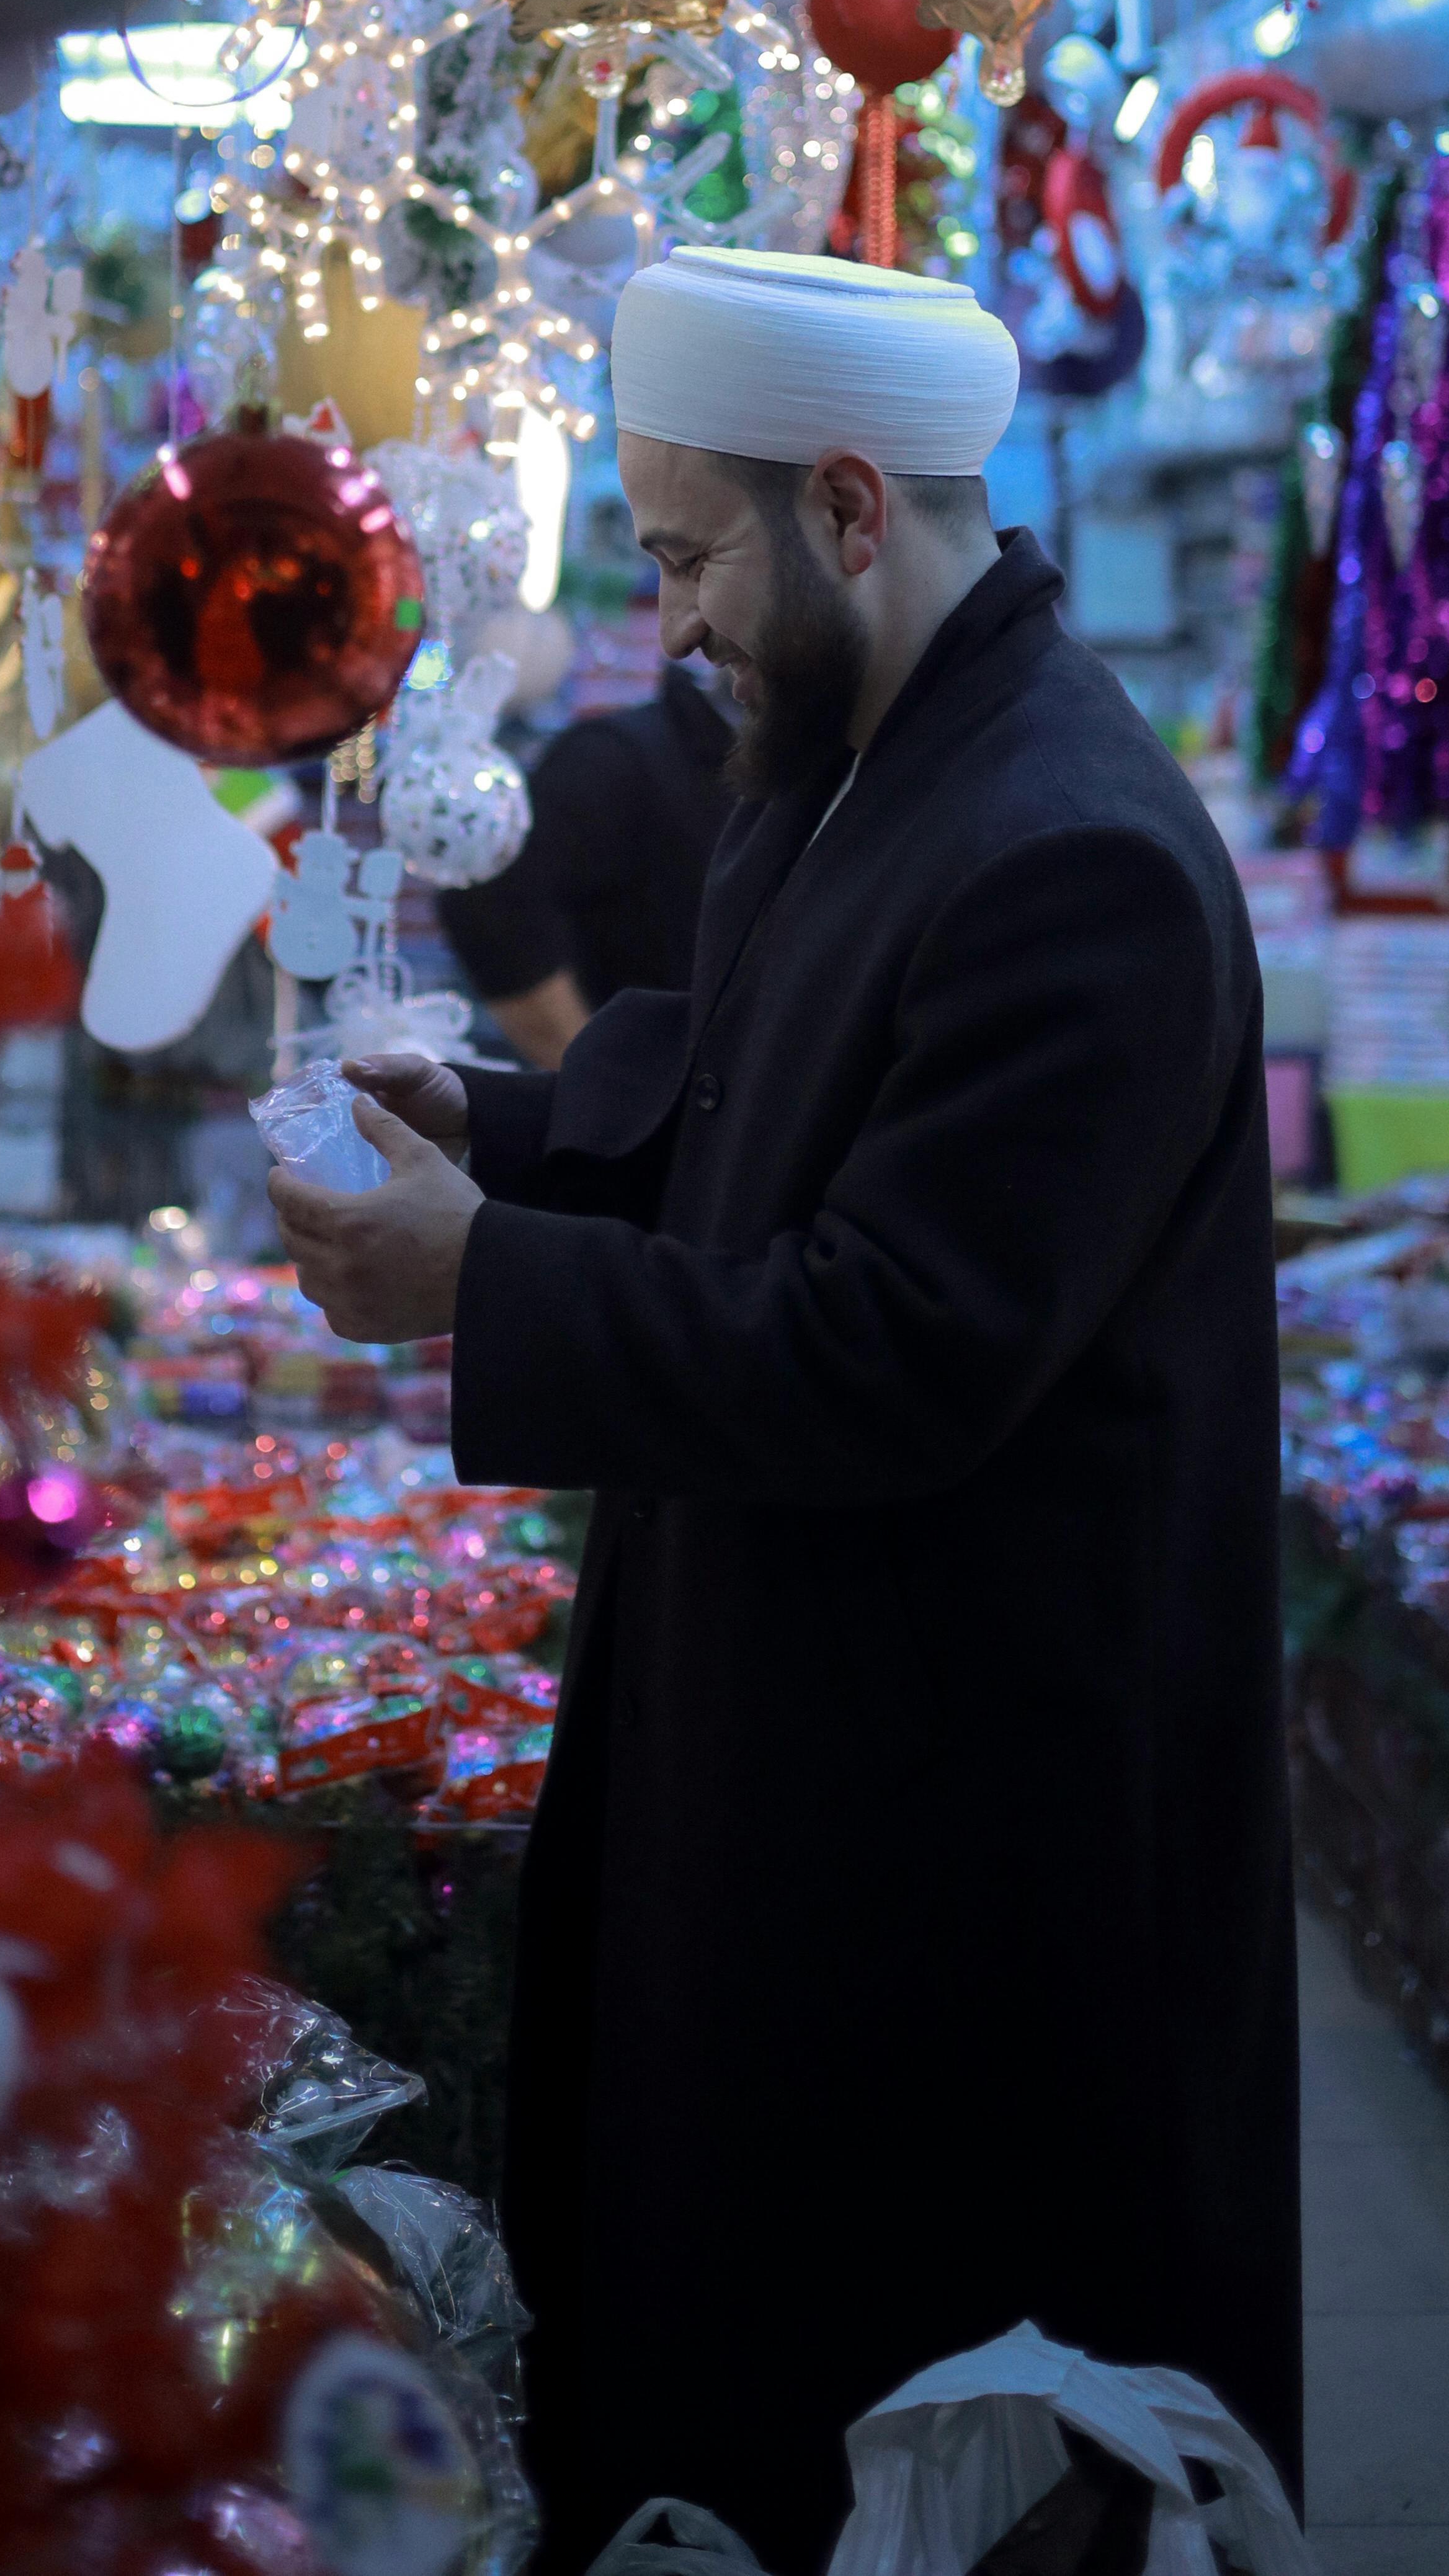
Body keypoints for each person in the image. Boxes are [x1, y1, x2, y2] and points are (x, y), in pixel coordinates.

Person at [265, 246, 1297, 2576]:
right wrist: (482, 1120)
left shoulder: (1078, 855)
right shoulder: (852, 758)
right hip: (810, 1715)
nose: (671, 617)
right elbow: (739, 1087)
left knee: (917, 2424)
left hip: (966, 1825)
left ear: (847, 506)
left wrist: (479, 1278)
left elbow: (889, 1335)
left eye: (689, 551)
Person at [436, 659, 735, 1067]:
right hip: (652, 1102)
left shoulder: (819, 770)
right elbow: (487, 904)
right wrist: (592, 1079)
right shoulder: (614, 758)